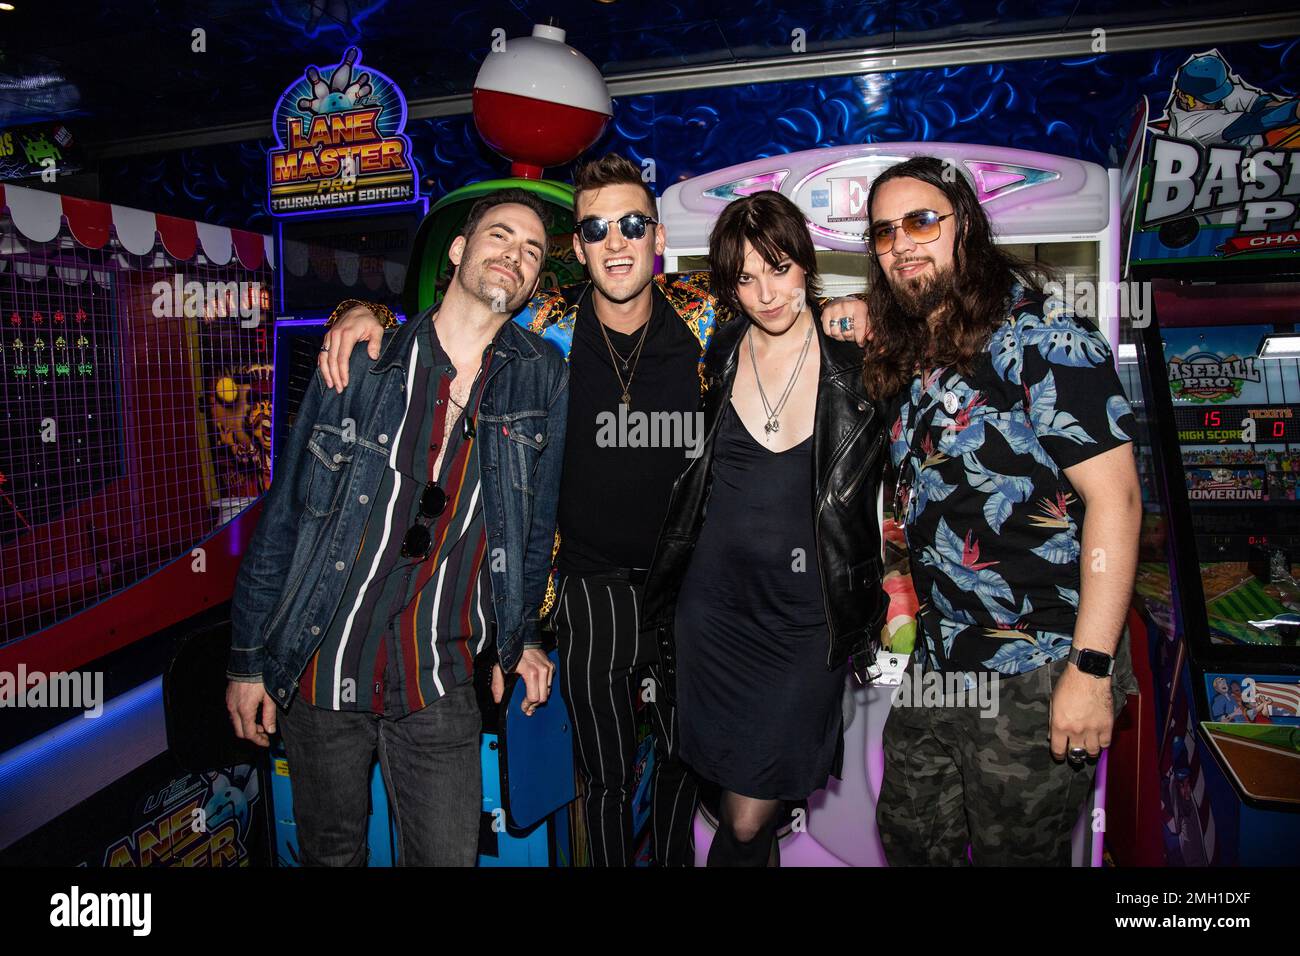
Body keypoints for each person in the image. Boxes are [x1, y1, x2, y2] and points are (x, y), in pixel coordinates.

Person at [319, 154, 872, 866]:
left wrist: (858, 311)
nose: (617, 241)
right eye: (597, 229)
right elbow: (457, 318)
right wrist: (364, 313)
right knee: (608, 778)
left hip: (693, 593)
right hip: (585, 589)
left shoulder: (709, 319)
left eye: (633, 224)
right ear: (578, 248)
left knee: (684, 766)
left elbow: (793, 307)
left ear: (658, 238)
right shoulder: (542, 327)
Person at [225, 188, 568, 866]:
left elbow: (534, 528)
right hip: (324, 662)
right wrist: (246, 661)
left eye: (532, 251)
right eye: (501, 236)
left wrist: (520, 635)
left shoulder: (544, 379)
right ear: (460, 251)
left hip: (438, 673)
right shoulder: (362, 360)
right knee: (331, 856)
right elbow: (286, 514)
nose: (516, 255)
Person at [827, 155, 1142, 866]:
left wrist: (1090, 672)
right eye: (884, 232)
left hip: (1042, 666)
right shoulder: (917, 356)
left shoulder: (1044, 335)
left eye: (922, 220)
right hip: (944, 661)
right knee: (911, 835)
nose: (902, 241)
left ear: (964, 223)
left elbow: (1117, 499)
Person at [640, 190, 889, 867]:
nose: (765, 293)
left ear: (806, 264)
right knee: (731, 802)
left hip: (804, 621)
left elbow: (954, 306)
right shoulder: (715, 351)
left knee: (750, 815)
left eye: (778, 269)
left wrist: (879, 307)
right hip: (712, 613)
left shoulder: (856, 360)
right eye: (745, 278)